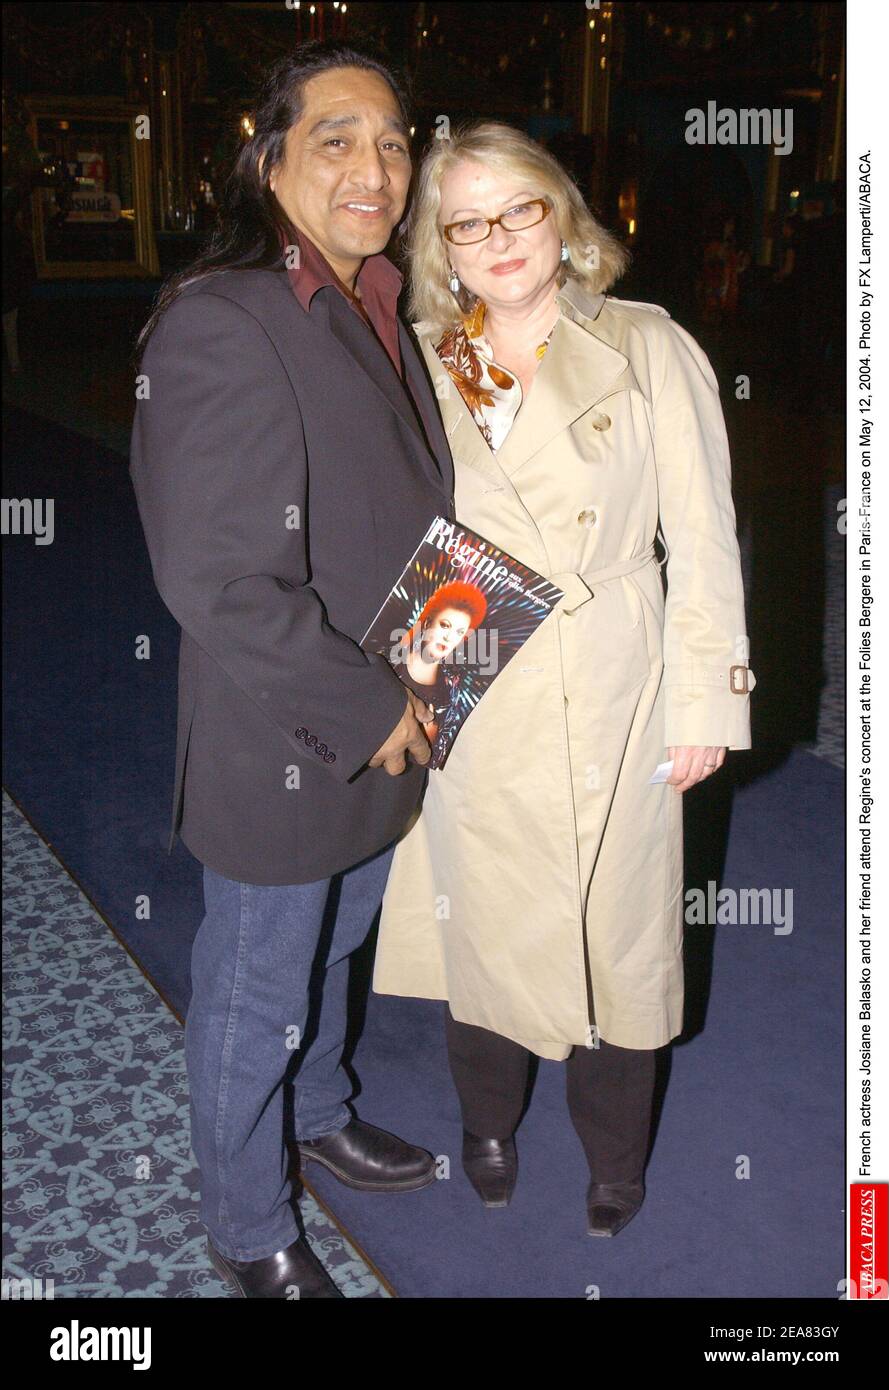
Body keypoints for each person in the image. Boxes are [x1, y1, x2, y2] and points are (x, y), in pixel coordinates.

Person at [373, 121, 756, 1237]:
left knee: (621, 926)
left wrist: (705, 701)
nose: (497, 238)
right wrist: (399, 683)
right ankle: (485, 1120)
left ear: (562, 214)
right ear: (441, 243)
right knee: (479, 911)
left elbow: (704, 536)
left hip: (617, 665)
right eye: (466, 221)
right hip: (473, 650)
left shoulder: (646, 344)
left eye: (520, 209)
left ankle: (613, 1154)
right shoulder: (432, 354)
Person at [129, 42, 455, 1298]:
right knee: (256, 977)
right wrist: (373, 705)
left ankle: (318, 1108)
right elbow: (214, 579)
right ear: (268, 160)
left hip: (391, 714)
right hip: (297, 727)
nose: (375, 166)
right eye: (337, 138)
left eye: (392, 139)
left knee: (338, 945)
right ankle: (246, 1218)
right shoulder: (224, 317)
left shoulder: (372, 297)